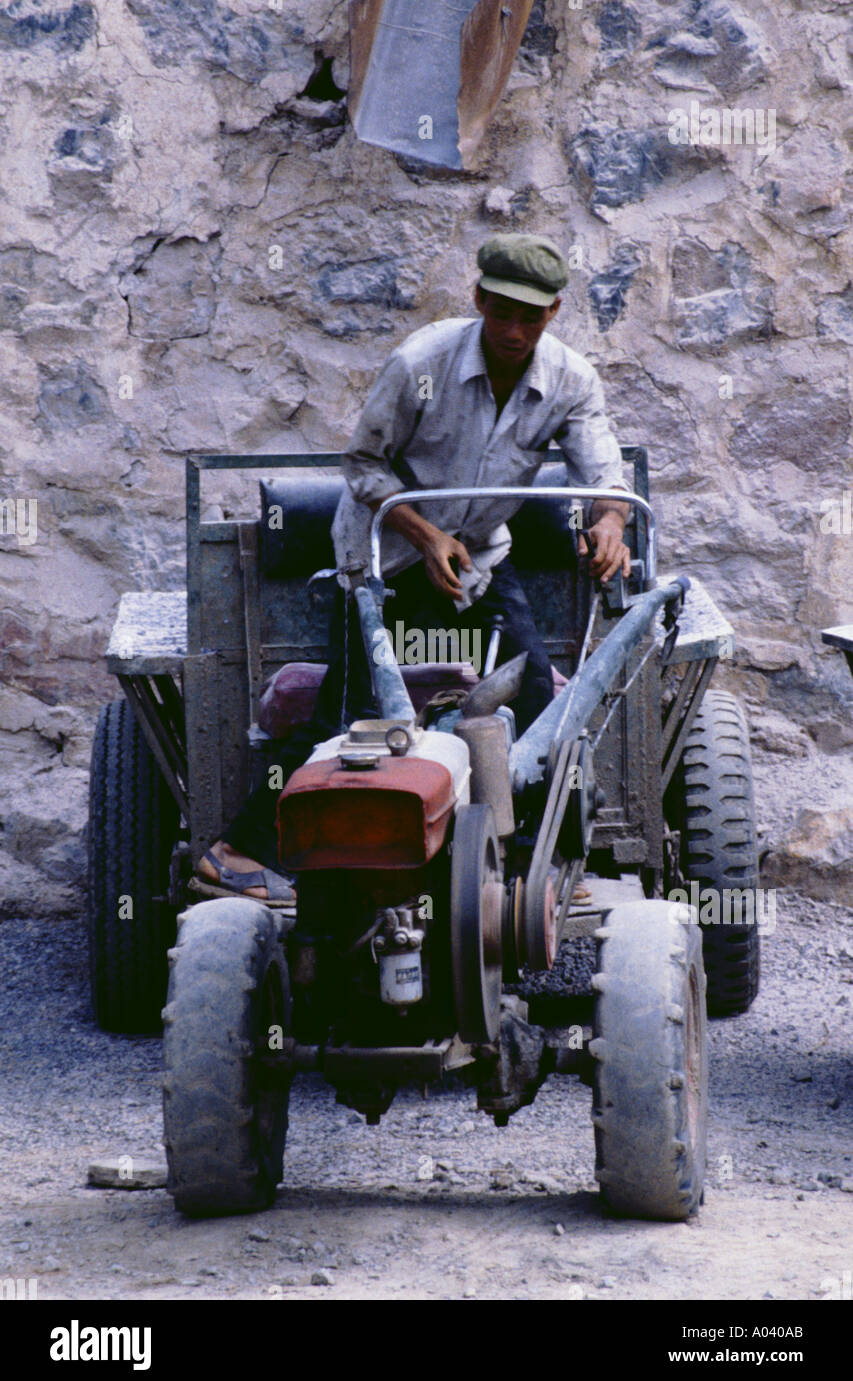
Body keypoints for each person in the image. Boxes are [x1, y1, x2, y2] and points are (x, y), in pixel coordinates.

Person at [199, 232, 630, 903]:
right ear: (479, 299)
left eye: (532, 316)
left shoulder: (569, 379)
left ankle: (526, 865)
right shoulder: (420, 362)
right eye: (503, 312)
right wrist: (425, 536)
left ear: (552, 314)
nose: (515, 330)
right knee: (351, 713)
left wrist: (609, 519)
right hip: (384, 551)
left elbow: (601, 467)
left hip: (481, 551)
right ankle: (239, 850)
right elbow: (362, 466)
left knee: (540, 704)